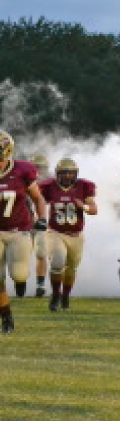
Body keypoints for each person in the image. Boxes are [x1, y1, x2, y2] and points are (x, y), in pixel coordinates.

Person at [0, 131, 48, 333]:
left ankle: (21, 282)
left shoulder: (22, 170)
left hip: (19, 230)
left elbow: (38, 198)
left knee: (19, 275)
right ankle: (6, 316)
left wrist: (42, 218)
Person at [38, 158, 97, 311]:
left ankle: (65, 297)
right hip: (55, 232)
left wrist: (83, 206)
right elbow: (38, 202)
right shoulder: (48, 186)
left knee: (71, 269)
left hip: (76, 234)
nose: (67, 176)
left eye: (70, 173)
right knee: (57, 263)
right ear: (57, 174)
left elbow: (94, 209)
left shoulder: (84, 186)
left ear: (76, 174)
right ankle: (55, 295)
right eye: (64, 172)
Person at [30, 153, 51, 298]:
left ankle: (40, 285)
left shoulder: (52, 184)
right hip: (24, 222)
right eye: (36, 167)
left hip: (43, 223)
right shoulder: (23, 181)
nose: (39, 171)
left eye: (41, 168)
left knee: (41, 253)